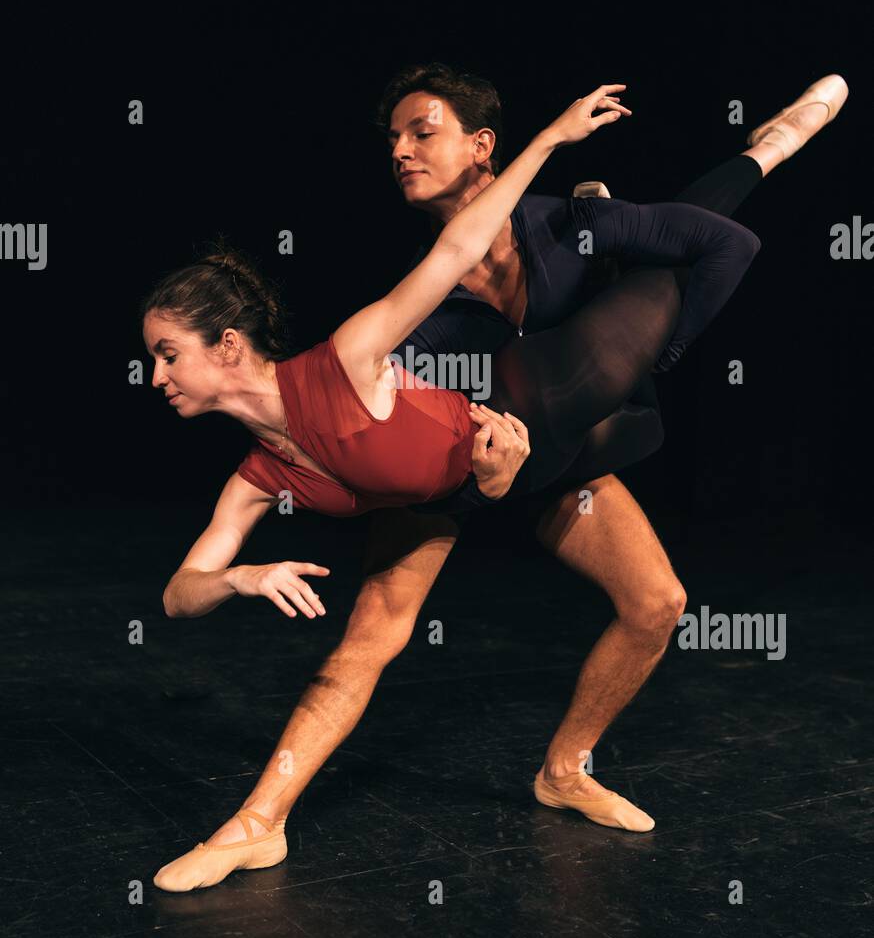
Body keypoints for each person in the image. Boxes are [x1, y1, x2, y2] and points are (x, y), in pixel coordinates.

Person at [144, 71, 847, 890]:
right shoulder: (256, 476)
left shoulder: (350, 355)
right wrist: (237, 577)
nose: (153, 374)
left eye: (166, 354)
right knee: (361, 648)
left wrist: (550, 138)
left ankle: (565, 770)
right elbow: (176, 595)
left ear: (226, 346)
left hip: (524, 436)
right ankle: (256, 827)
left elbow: (456, 249)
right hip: (440, 495)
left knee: (657, 602)